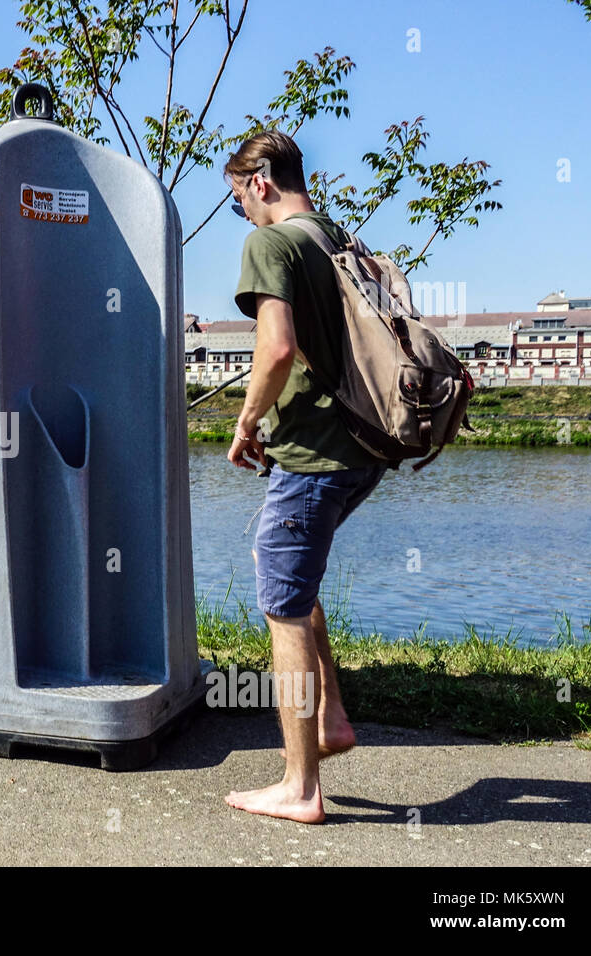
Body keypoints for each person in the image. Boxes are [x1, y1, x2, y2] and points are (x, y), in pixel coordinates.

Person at [221, 130, 388, 824]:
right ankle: (331, 722)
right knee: (297, 573)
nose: (245, 217)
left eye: (239, 202)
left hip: (314, 454)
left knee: (282, 604)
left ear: (259, 182)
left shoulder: (274, 243)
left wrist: (247, 421)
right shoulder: (339, 238)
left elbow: (277, 346)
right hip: (363, 446)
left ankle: (300, 788)